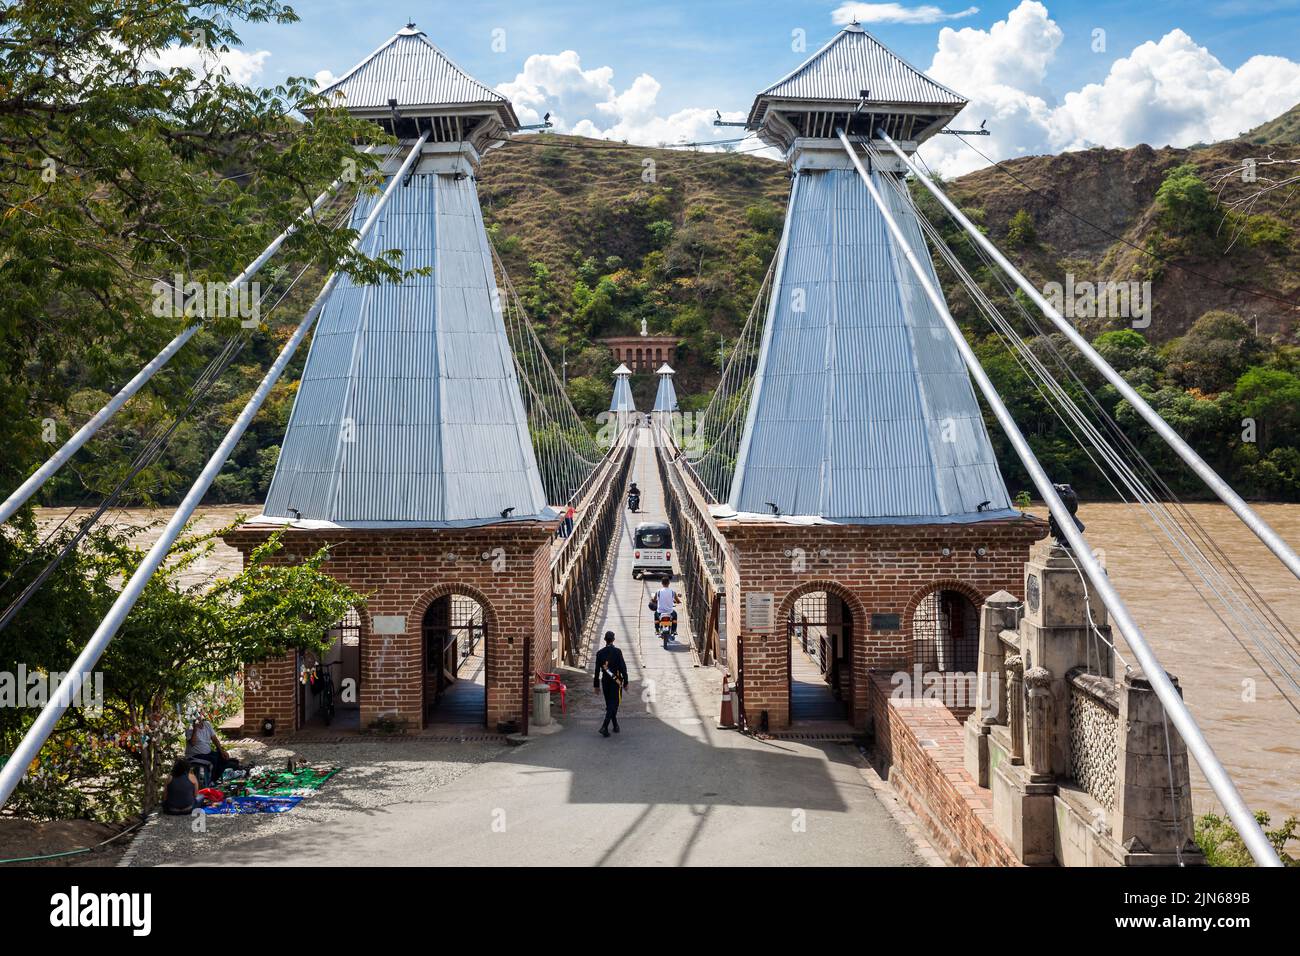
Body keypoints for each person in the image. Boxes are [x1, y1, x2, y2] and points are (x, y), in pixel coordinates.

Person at [593, 631, 628, 737]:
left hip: (605, 681)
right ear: (613, 640)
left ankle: (615, 725)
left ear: (605, 640)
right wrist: (626, 682)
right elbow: (623, 668)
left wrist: (596, 686)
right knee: (614, 704)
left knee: (609, 704)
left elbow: (596, 671)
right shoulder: (617, 652)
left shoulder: (599, 653)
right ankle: (604, 726)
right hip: (615, 681)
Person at [185, 714, 238, 783]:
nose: (198, 718)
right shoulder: (189, 728)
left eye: (199, 715)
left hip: (207, 753)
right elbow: (193, 743)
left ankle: (214, 779)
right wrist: (195, 729)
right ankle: (210, 781)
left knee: (223, 758)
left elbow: (214, 739)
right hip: (195, 755)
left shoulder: (207, 724)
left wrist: (221, 751)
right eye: (196, 716)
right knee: (213, 760)